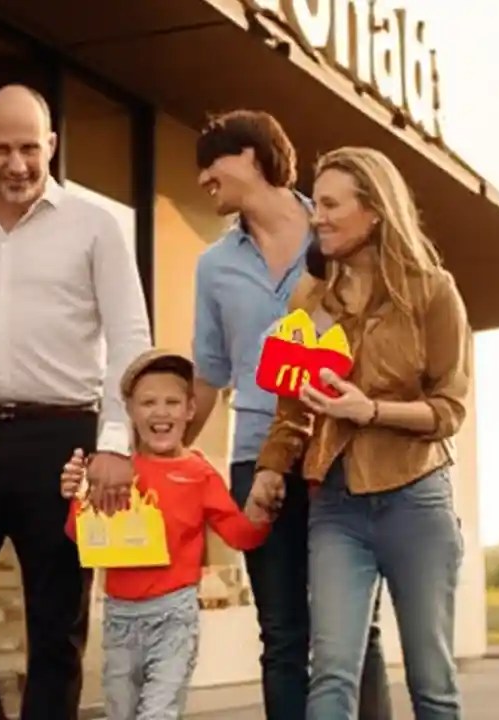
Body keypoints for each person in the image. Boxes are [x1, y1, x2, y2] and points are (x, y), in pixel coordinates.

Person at [0, 83, 151, 720]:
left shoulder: (94, 226)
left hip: (63, 439)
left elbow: (130, 338)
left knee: (55, 625)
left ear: (51, 145)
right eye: (2, 149)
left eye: (28, 148)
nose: (16, 164)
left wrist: (114, 444)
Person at [249, 146, 471, 720]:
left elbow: (448, 410)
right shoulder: (311, 300)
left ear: (373, 211)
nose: (316, 216)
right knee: (331, 676)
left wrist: (369, 409)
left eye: (329, 204)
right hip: (337, 505)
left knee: (432, 681)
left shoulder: (432, 290)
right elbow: (291, 405)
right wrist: (272, 468)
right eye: (315, 203)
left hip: (416, 501)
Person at [186, 110, 392, 720]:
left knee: (357, 635)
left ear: (251, 157)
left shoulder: (341, 231)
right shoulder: (213, 266)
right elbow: (210, 373)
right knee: (282, 638)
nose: (202, 180)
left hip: (344, 452)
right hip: (258, 456)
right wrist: (162, 455)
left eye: (211, 164)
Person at [59, 348, 272, 719]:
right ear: (129, 409)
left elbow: (240, 536)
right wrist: (75, 494)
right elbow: (80, 536)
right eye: (148, 402)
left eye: (172, 402)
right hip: (119, 617)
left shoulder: (199, 473)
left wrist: (260, 512)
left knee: (158, 713)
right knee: (120, 712)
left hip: (174, 615)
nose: (161, 412)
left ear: (190, 409)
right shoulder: (112, 469)